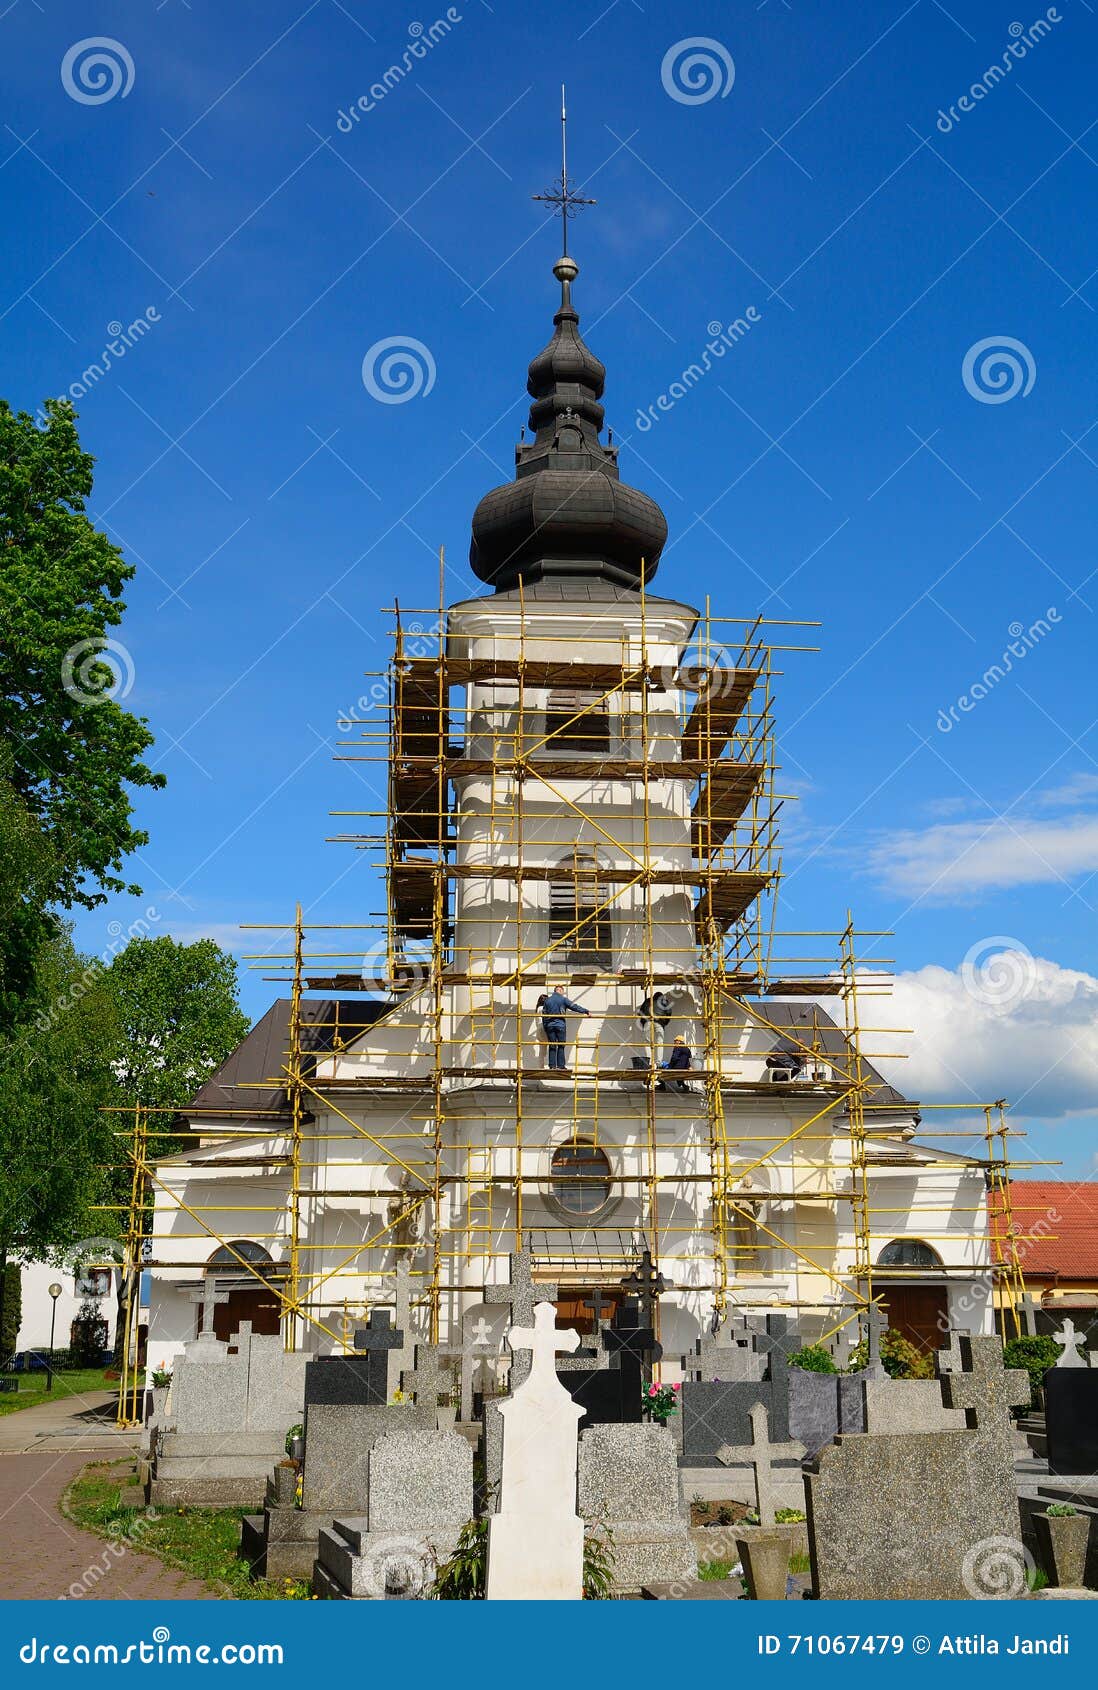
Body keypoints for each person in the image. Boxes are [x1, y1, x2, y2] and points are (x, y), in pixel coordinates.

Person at [539, 985, 589, 1071]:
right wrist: (586, 1011)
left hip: (550, 1026)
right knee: (561, 1045)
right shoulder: (563, 999)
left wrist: (546, 1027)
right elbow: (574, 1007)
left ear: (555, 991)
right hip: (560, 1025)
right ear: (561, 990)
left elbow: (544, 1015)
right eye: (562, 991)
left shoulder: (547, 1001)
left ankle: (552, 1066)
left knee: (552, 1045)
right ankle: (561, 1065)